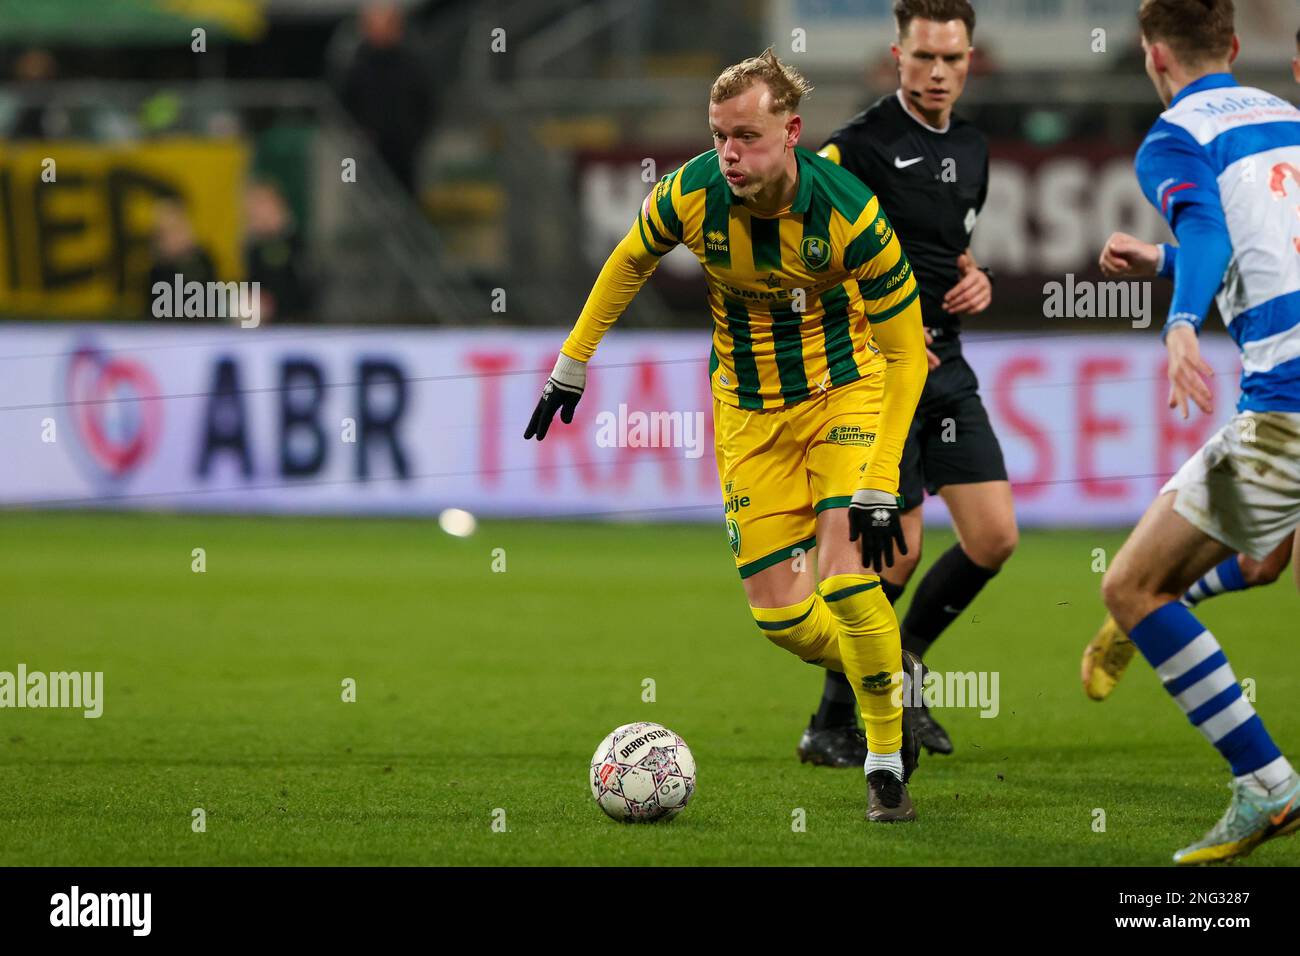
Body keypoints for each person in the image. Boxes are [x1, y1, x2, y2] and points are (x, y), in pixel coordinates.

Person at [524, 49, 927, 821]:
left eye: (746, 136)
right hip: (746, 413)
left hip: (844, 395)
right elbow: (627, 261)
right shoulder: (692, 193)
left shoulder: (849, 212)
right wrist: (571, 363)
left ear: (792, 130)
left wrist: (879, 477)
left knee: (846, 582)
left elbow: (907, 353)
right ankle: (887, 667)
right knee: (779, 616)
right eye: (718, 137)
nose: (730, 154)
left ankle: (884, 769)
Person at [1087, 0, 1300, 865]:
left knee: (1131, 588)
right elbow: (1261, 247)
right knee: (1261, 558)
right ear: (1238, 47)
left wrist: (1179, 319)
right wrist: (1166, 261)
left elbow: (1209, 228)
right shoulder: (1286, 119)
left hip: (1287, 402)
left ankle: (1267, 786)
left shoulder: (1173, 137)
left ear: (1154, 54)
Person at [800, 0, 1015, 766]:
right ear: (898, 56)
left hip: (946, 363)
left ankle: (909, 660)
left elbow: (945, 250)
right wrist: (877, 328)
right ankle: (829, 721)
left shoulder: (973, 147)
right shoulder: (854, 149)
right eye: (923, 57)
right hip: (879, 370)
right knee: (894, 555)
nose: (937, 73)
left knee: (993, 536)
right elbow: (813, 263)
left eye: (952, 59)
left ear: (969, 60)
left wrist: (975, 278)